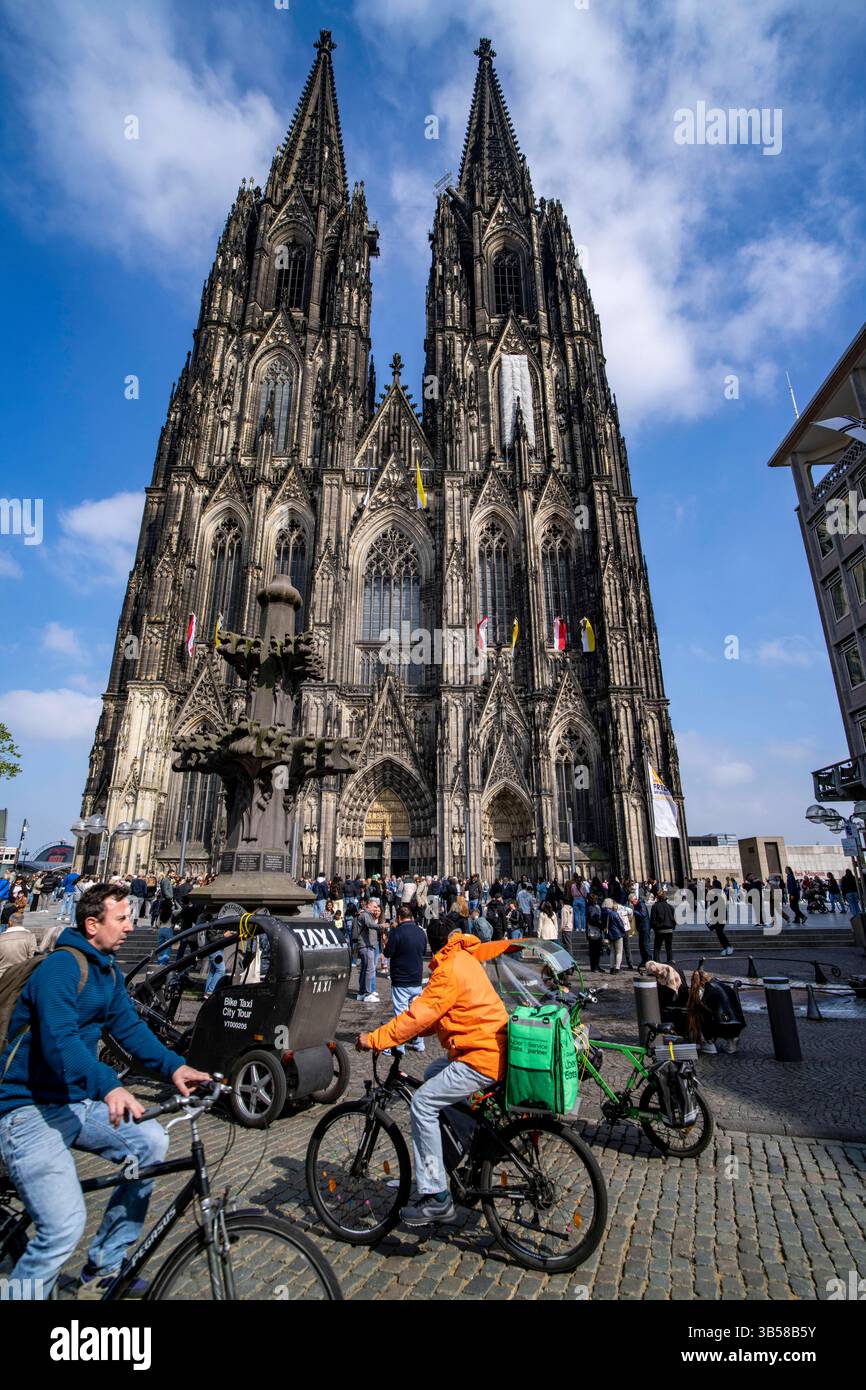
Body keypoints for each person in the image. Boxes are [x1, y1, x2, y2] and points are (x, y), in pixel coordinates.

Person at [0, 882, 209, 1299]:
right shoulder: (61, 968)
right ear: (92, 924)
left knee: (150, 1142)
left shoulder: (107, 971)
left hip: (72, 1103)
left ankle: (104, 1267)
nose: (131, 926)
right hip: (27, 1110)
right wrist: (110, 1086)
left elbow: (129, 1029)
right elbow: (60, 1044)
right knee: (62, 1226)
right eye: (123, 919)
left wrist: (175, 1068)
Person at [356, 928, 521, 1226]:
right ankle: (465, 1139)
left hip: (480, 1056)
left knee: (421, 1103)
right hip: (491, 1047)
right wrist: (402, 1031)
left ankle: (436, 1196)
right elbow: (434, 1016)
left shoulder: (449, 970)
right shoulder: (465, 958)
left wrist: (379, 1038)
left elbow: (420, 1015)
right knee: (433, 1072)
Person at [383, 906, 428, 1055]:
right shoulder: (421, 932)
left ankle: (399, 1047)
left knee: (401, 1014)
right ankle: (419, 1042)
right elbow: (422, 951)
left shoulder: (396, 932)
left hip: (401, 979)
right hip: (416, 978)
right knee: (416, 1013)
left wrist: (386, 941)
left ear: (399, 918)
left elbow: (388, 953)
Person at [355, 898, 383, 1002]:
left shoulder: (365, 914)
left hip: (366, 946)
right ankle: (367, 993)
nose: (376, 909)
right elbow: (370, 925)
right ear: (369, 906)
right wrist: (382, 925)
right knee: (369, 970)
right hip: (365, 946)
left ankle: (362, 993)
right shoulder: (365, 915)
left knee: (365, 969)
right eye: (374, 907)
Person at [0, 906, 37, 979]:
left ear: (10, 922)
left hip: (2, 977)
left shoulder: (1, 938)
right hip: (21, 977)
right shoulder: (30, 937)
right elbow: (32, 958)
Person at [650, 889, 676, 963]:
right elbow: (674, 919)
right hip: (669, 930)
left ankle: (657, 964)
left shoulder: (655, 906)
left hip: (659, 930)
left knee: (657, 948)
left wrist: (655, 928)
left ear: (657, 897)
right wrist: (672, 927)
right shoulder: (670, 907)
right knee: (669, 948)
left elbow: (653, 920)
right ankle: (670, 962)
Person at [601, 897, 626, 972]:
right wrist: (623, 931)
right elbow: (620, 924)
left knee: (612, 951)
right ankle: (617, 968)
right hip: (617, 934)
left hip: (609, 934)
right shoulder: (614, 913)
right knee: (619, 952)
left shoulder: (603, 913)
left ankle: (611, 968)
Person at [630, 892, 652, 965]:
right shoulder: (637, 904)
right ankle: (644, 961)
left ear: (635, 899)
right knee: (641, 945)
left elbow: (643, 914)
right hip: (641, 928)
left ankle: (649, 962)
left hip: (645, 928)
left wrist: (634, 912)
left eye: (632, 902)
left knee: (646, 945)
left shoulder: (641, 904)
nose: (631, 903)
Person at [584, 893, 604, 972]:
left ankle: (596, 966)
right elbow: (592, 920)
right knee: (594, 950)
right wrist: (600, 924)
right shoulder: (591, 908)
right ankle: (594, 966)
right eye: (595, 899)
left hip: (594, 930)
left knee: (596, 950)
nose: (596, 901)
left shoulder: (593, 907)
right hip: (593, 931)